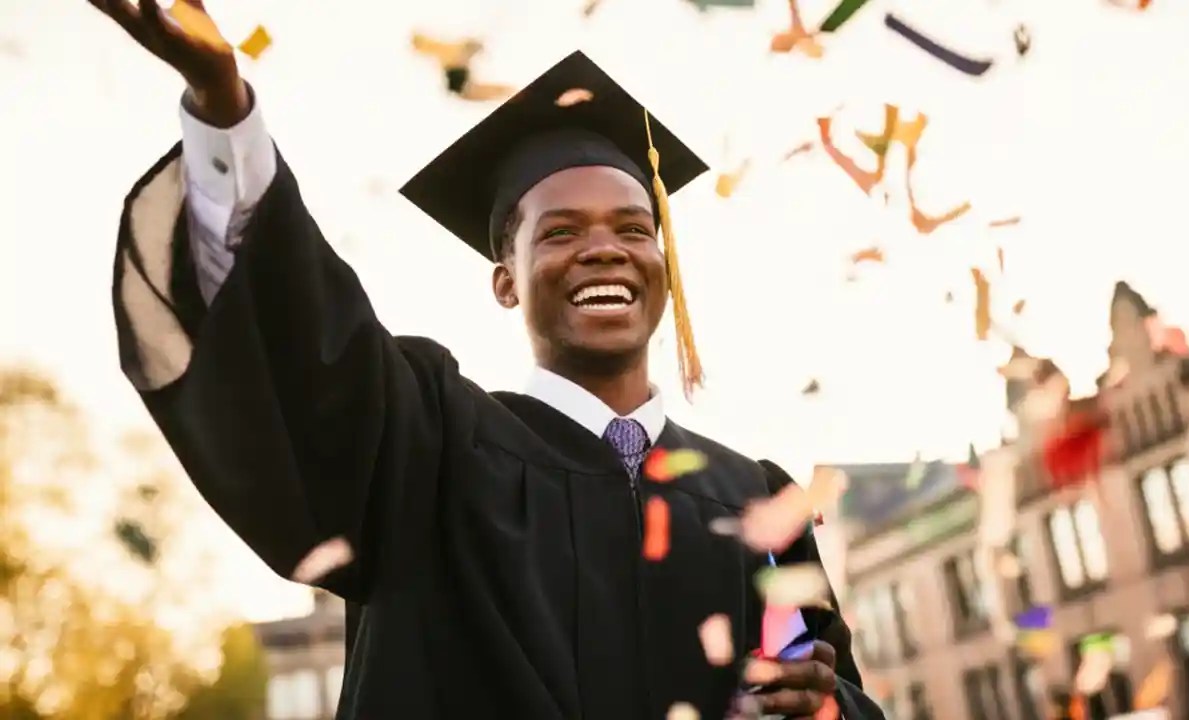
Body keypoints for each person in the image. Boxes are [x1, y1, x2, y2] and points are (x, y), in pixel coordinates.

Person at [90, 1, 885, 718]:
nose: (604, 250)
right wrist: (224, 105)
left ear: (665, 267)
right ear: (506, 282)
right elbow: (308, 346)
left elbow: (835, 692)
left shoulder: (757, 500)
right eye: (562, 232)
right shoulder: (427, 444)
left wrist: (828, 707)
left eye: (634, 228)